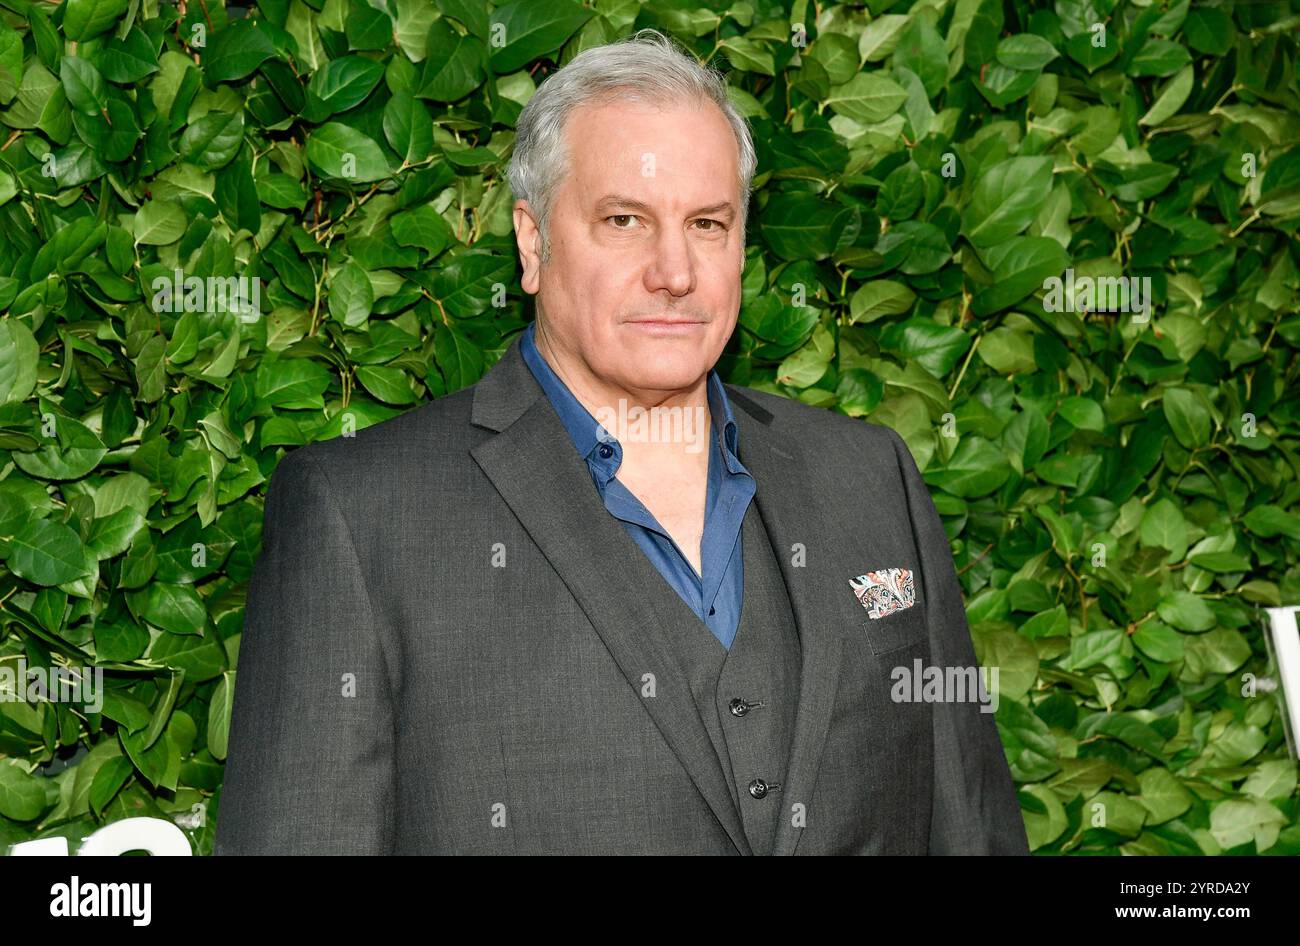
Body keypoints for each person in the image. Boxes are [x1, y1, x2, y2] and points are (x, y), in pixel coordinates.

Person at [214, 29, 1029, 856]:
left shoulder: (867, 476)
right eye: (625, 220)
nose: (675, 270)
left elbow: (970, 825)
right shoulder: (361, 516)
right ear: (532, 243)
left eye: (708, 223)